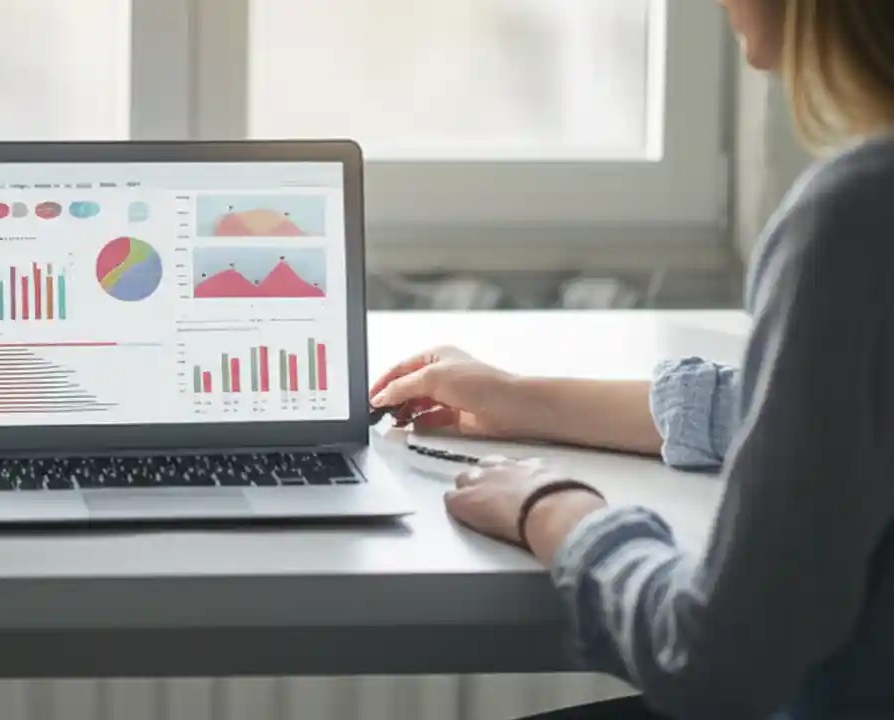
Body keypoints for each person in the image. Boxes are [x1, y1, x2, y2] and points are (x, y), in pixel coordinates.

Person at [369, 1, 894, 718]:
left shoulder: (857, 220)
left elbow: (716, 660)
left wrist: (552, 510)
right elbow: (825, 406)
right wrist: (521, 398)